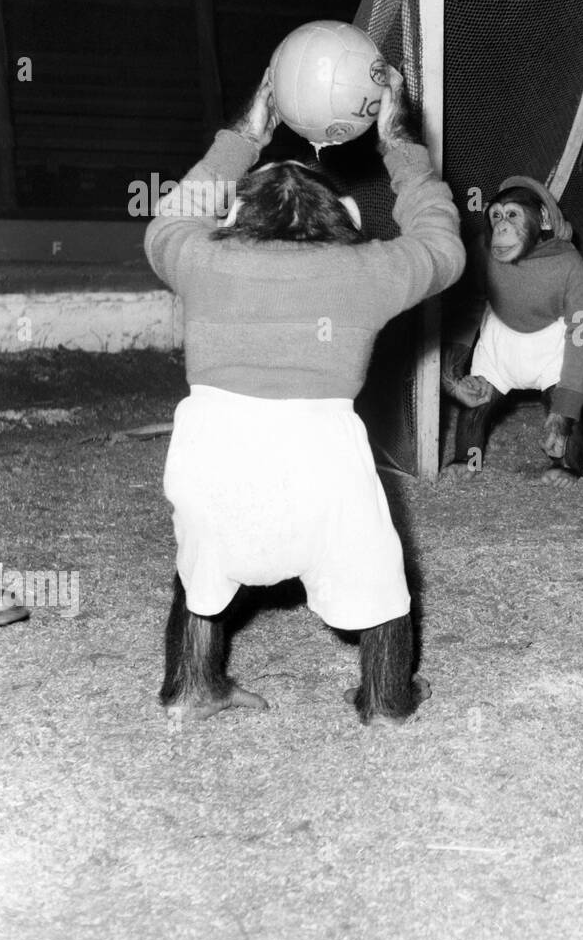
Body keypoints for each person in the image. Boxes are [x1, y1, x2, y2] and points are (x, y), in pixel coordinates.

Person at [144, 67, 464, 724]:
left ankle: (191, 685)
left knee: (200, 569)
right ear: (346, 218)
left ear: (232, 217)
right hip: (322, 468)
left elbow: (170, 217)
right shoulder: (366, 270)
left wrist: (243, 136)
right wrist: (398, 142)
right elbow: (442, 242)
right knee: (379, 583)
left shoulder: (199, 257)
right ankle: (385, 699)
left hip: (212, 456)